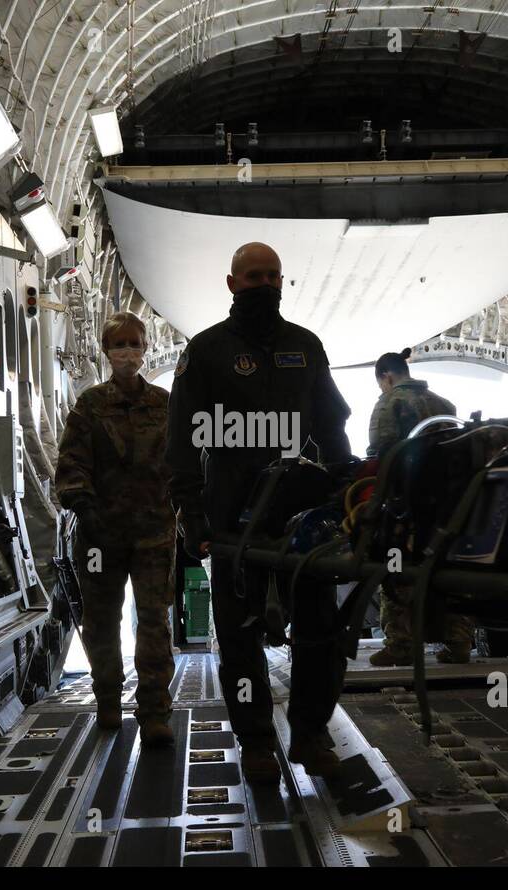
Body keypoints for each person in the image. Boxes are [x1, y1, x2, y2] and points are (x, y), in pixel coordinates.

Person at [167, 242, 353, 782]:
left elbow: (331, 425)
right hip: (232, 514)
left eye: (273, 276)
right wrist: (190, 511)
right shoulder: (204, 352)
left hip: (301, 514)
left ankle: (312, 733)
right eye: (254, 276)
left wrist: (344, 483)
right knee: (239, 632)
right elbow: (181, 440)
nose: (264, 284)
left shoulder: (306, 346)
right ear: (232, 284)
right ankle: (255, 742)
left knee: (320, 627)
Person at [55, 312, 177, 746]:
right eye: (120, 345)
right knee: (101, 621)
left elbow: (181, 464)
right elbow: (71, 463)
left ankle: (154, 712)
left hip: (153, 535)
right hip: (100, 535)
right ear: (107, 351)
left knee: (153, 622)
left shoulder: (164, 404)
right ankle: (108, 698)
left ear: (146, 349)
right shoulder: (90, 405)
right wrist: (85, 507)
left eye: (136, 344)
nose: (129, 353)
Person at [365, 348, 475, 666]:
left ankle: (400, 645)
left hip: (408, 506)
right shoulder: (445, 403)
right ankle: (459, 644)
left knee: (395, 568)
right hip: (452, 506)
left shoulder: (390, 402)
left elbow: (380, 455)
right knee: (451, 571)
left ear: (386, 376)